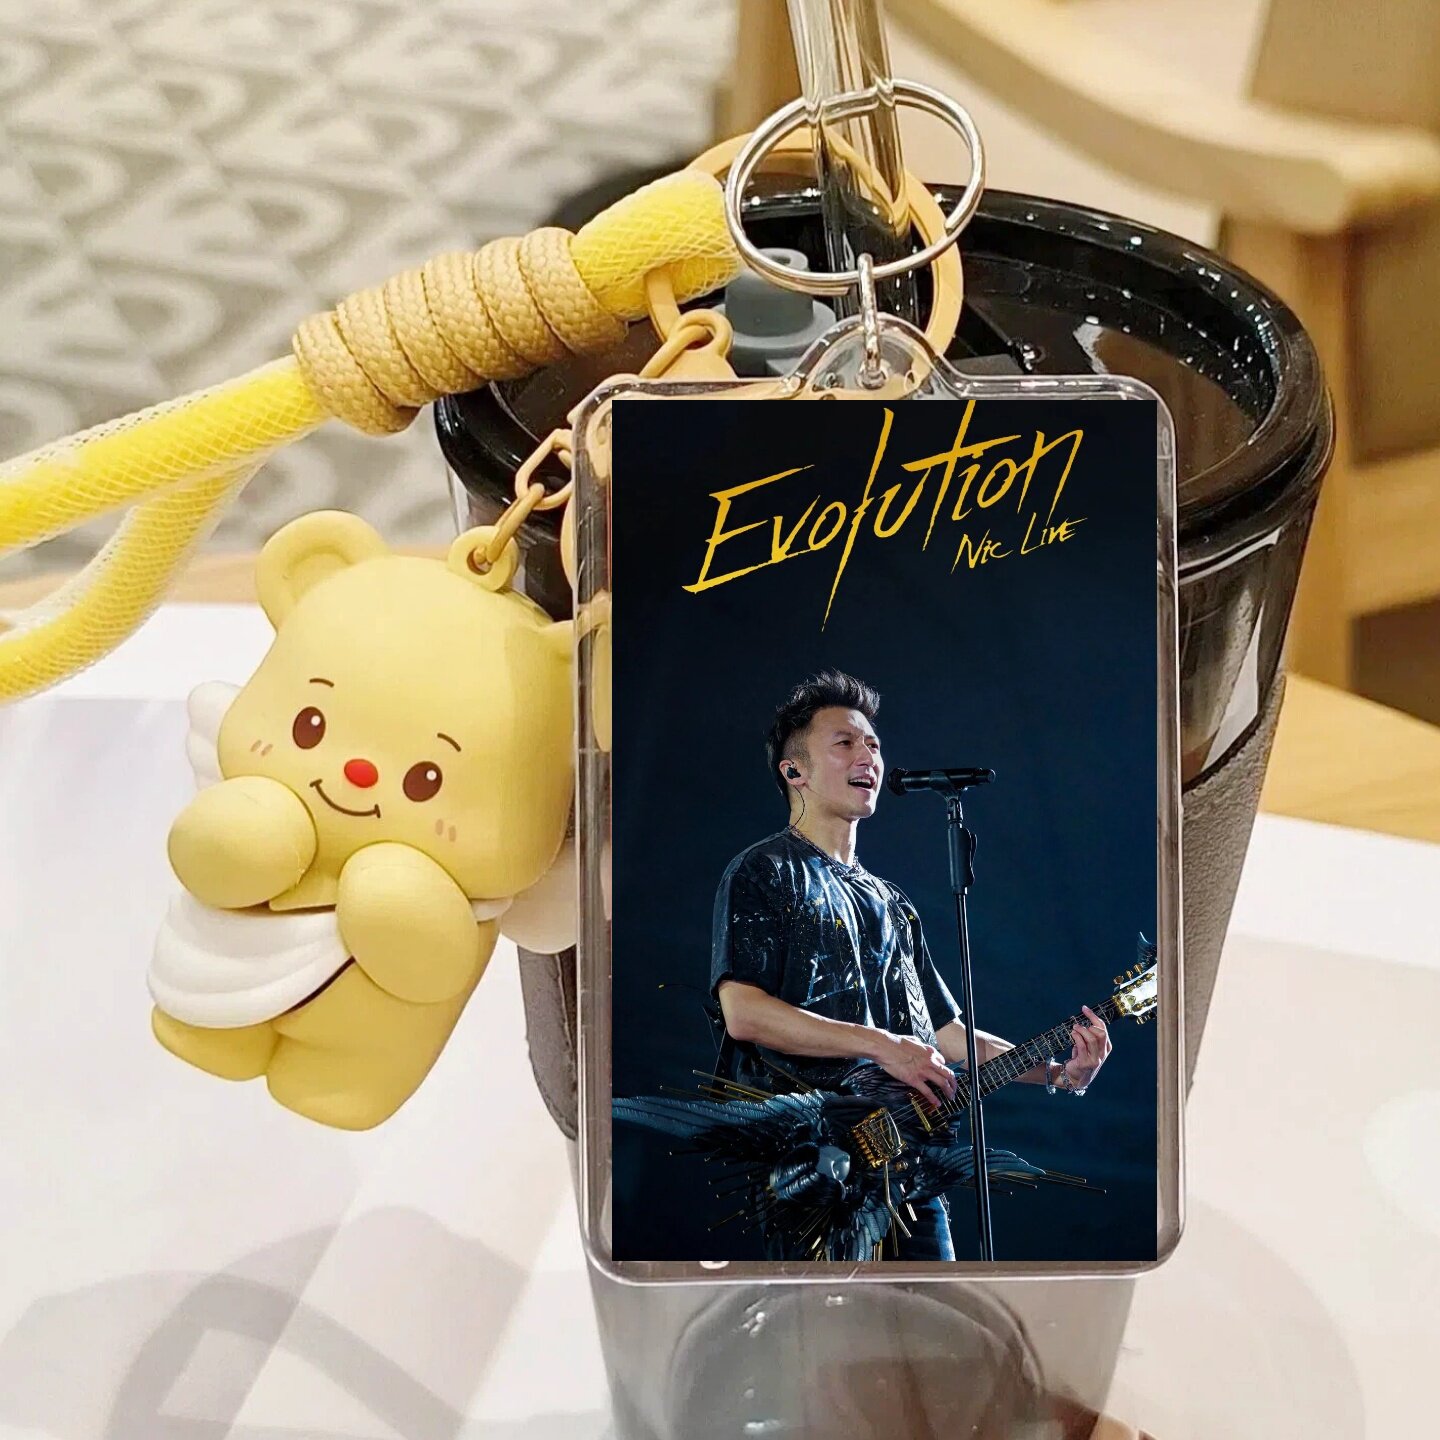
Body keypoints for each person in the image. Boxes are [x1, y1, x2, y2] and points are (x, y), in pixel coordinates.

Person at [711, 669, 1111, 1260]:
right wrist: (883, 1046)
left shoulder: (893, 904)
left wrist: (1057, 1071)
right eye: (845, 742)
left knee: (936, 1308)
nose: (868, 755)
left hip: (908, 1166)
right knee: (831, 1315)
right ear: (794, 772)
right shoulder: (763, 871)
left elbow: (945, 1035)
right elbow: (744, 1013)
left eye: (873, 743)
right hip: (813, 1167)